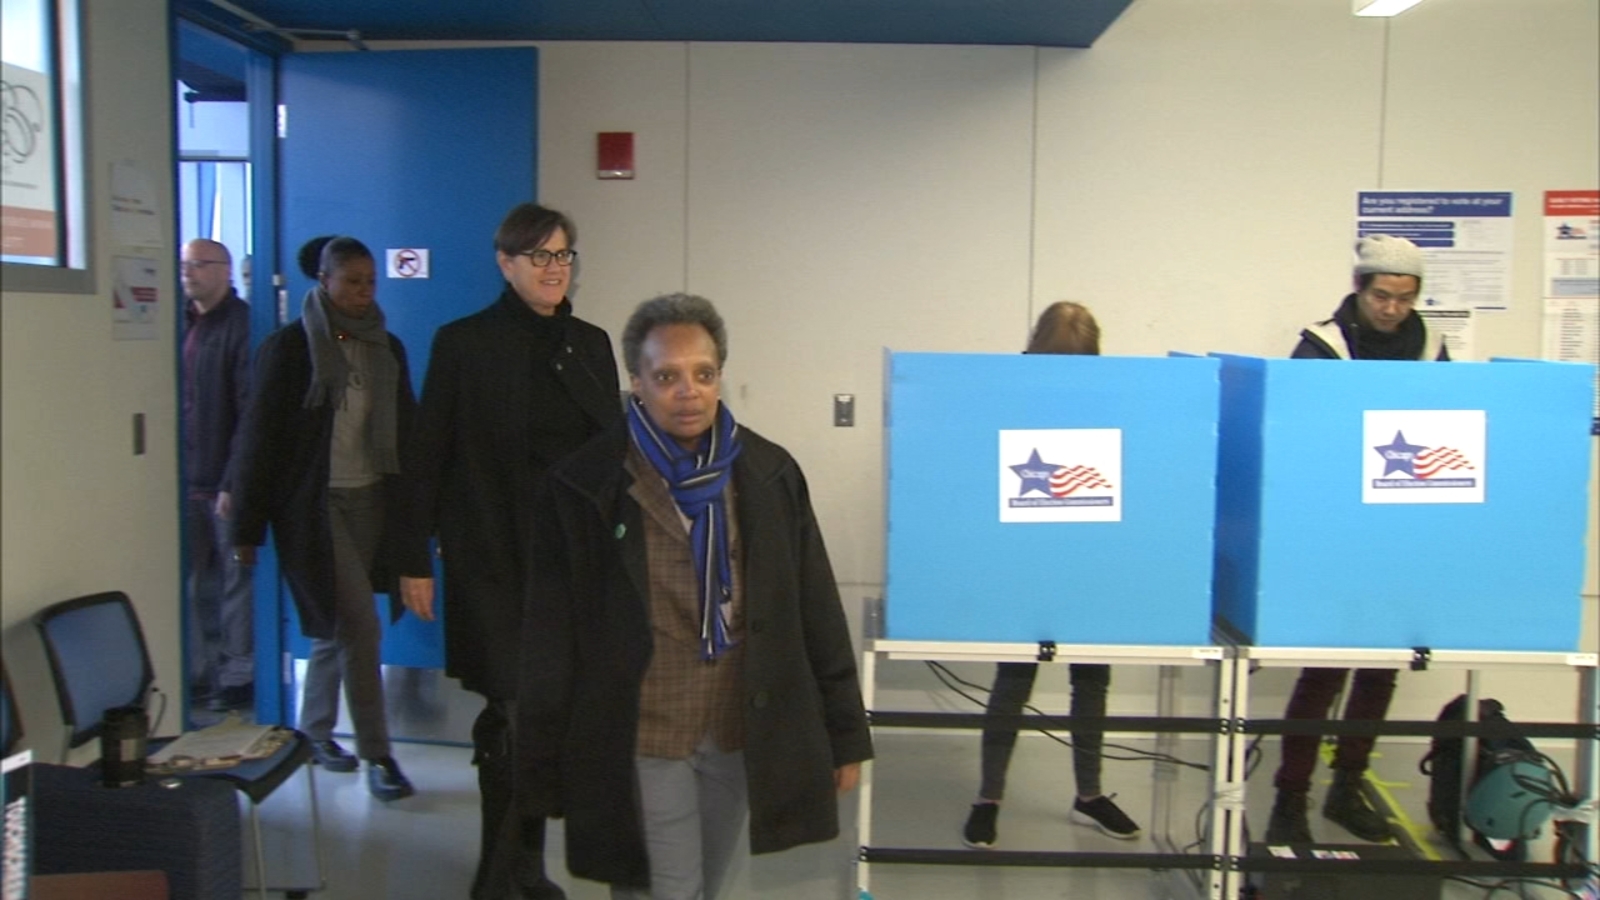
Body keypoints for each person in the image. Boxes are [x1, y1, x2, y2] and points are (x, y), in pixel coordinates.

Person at [515, 294, 874, 900]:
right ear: (636, 383)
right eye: (667, 377)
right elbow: (550, 635)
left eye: (703, 374)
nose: (689, 391)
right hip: (643, 729)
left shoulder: (767, 475)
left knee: (707, 883)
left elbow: (814, 608)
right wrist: (542, 758)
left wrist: (843, 734)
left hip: (736, 726)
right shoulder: (586, 486)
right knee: (670, 885)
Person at [402, 204, 620, 900]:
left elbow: (612, 455)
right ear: (505, 263)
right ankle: (498, 879)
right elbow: (426, 455)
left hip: (570, 568)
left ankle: (524, 867)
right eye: (540, 257)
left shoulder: (589, 343)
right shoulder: (464, 343)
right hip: (493, 562)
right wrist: (412, 556)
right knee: (516, 715)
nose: (555, 269)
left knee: (539, 719)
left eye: (564, 256)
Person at [231, 236, 431, 801]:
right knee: (359, 626)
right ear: (323, 281)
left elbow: (408, 432)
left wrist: (423, 515)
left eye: (370, 281)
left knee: (334, 623)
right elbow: (259, 439)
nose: (363, 292)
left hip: (373, 502)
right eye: (351, 281)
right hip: (314, 509)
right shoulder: (290, 349)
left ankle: (312, 733)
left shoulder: (385, 347)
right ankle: (379, 755)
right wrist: (246, 526)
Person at [1266, 234, 1447, 845]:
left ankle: (1347, 787)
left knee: (1380, 669)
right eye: (1381, 295)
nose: (1391, 309)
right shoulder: (1322, 346)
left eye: (1403, 298)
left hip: (1401, 532)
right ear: (1359, 287)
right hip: (1334, 531)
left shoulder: (1433, 350)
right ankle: (1290, 798)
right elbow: (1292, 434)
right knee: (1323, 671)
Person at [961, 302, 1142, 849]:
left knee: (1092, 679)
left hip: (1090, 562)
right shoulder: (1008, 393)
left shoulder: (1109, 394)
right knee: (1013, 681)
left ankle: (1089, 794)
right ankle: (988, 798)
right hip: (1024, 562)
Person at [179, 238, 255, 714]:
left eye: (198, 265)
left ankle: (237, 673)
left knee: (235, 581)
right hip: (184, 479)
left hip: (223, 479)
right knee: (190, 583)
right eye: (184, 264)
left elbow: (249, 411)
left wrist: (233, 480)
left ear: (225, 271)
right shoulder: (180, 323)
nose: (188, 272)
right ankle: (198, 671)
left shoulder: (241, 325)